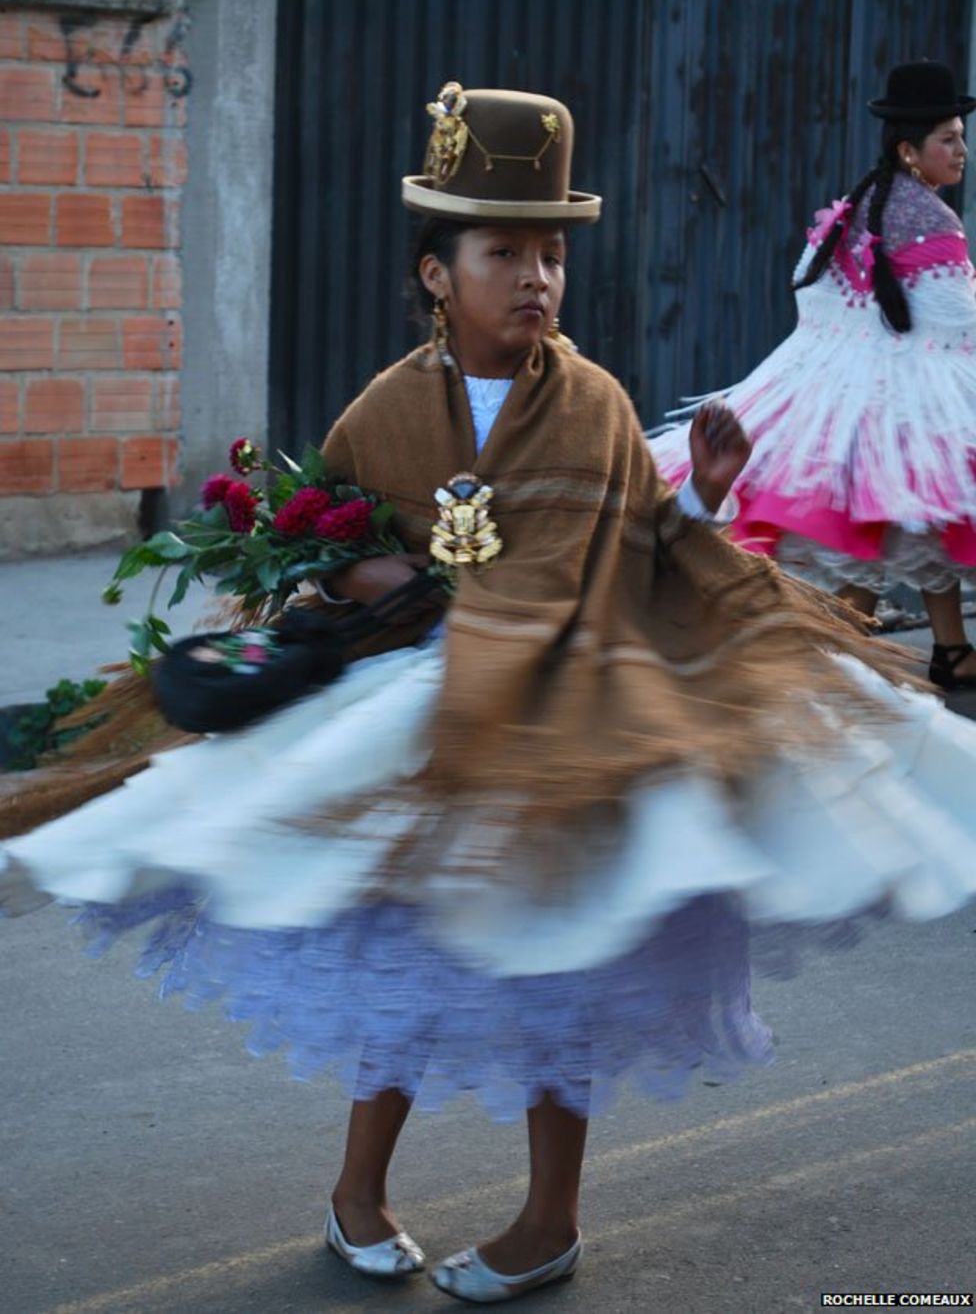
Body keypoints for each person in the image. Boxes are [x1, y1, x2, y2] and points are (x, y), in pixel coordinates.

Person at [3, 82, 976, 1307]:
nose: (535, 277)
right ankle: (358, 1190)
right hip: (420, 713)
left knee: (556, 964)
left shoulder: (597, 404)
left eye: (552, 253)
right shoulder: (385, 408)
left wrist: (696, 504)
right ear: (435, 271)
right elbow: (312, 555)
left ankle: (547, 1218)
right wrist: (364, 566)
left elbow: (636, 556)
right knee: (414, 960)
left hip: (566, 717)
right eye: (503, 250)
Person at [650, 61, 976, 690]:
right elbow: (957, 325)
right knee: (916, 508)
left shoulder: (858, 204)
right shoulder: (934, 219)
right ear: (910, 151)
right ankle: (855, 640)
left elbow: (815, 297)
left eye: (961, 137)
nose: (962, 151)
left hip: (848, 386)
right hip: (900, 390)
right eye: (949, 139)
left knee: (904, 516)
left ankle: (937, 645)